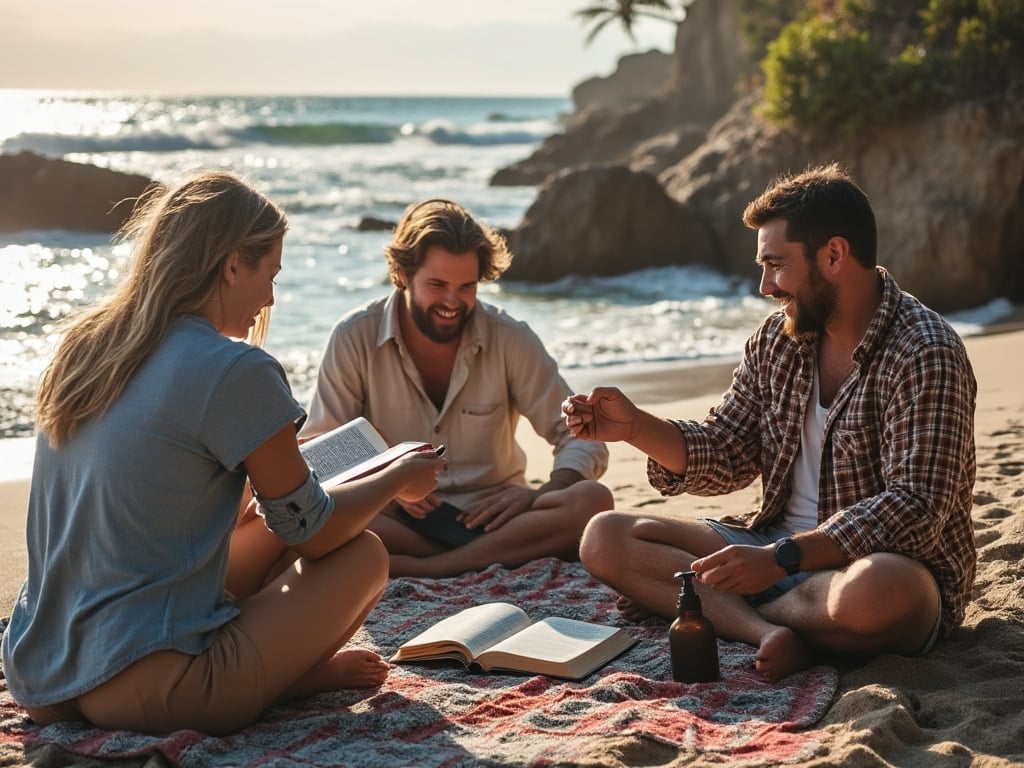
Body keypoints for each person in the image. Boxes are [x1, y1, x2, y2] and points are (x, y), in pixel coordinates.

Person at [1, 170, 445, 736]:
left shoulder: (87, 346)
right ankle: (285, 680)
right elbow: (312, 532)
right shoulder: (235, 368)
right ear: (233, 264)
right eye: (271, 275)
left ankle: (268, 672)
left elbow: (154, 495)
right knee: (362, 556)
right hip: (156, 690)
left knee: (261, 527)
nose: (271, 298)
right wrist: (398, 476)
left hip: (42, 673)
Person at [563, 163, 977, 682]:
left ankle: (710, 607)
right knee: (604, 537)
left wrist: (782, 560)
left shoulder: (925, 351)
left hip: (866, 570)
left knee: (881, 592)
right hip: (769, 554)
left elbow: (916, 507)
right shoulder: (776, 341)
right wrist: (633, 428)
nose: (764, 285)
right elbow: (727, 450)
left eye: (776, 265)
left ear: (833, 255)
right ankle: (766, 630)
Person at [300, 198, 612, 578]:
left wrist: (543, 492)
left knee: (591, 500)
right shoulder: (354, 336)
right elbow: (320, 454)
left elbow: (582, 435)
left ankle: (434, 567)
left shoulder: (510, 338)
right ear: (402, 274)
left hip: (499, 517)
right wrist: (389, 484)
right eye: (438, 284)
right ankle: (476, 559)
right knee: (318, 520)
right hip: (397, 518)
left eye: (467, 286)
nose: (453, 301)